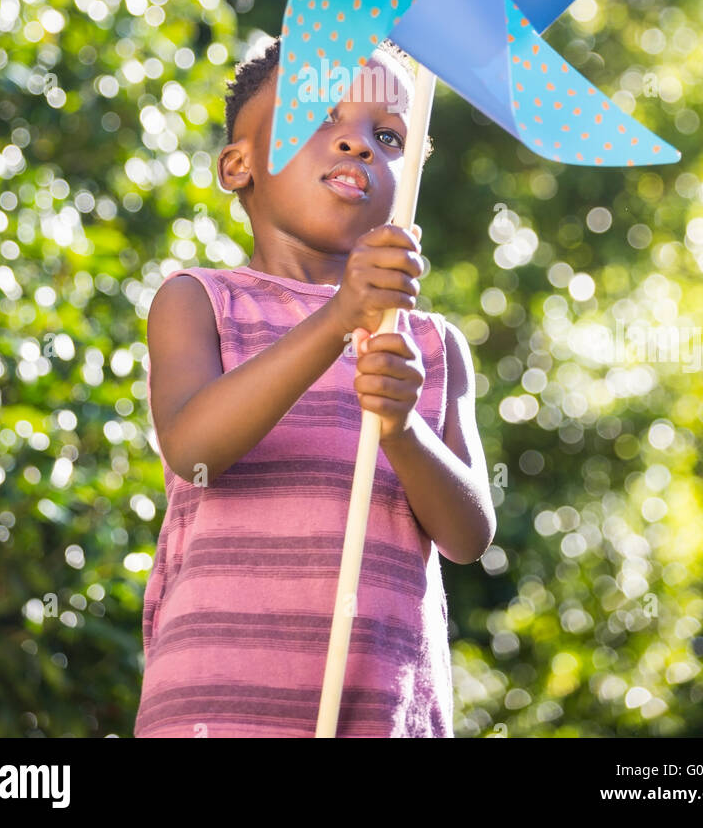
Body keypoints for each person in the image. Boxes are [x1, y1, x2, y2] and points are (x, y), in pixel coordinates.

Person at [133, 36, 495, 738]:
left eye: (388, 136)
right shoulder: (200, 301)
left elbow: (468, 534)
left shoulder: (430, 346)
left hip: (383, 708)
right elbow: (195, 450)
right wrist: (338, 317)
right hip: (218, 703)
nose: (358, 145)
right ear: (238, 165)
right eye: (318, 117)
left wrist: (403, 428)